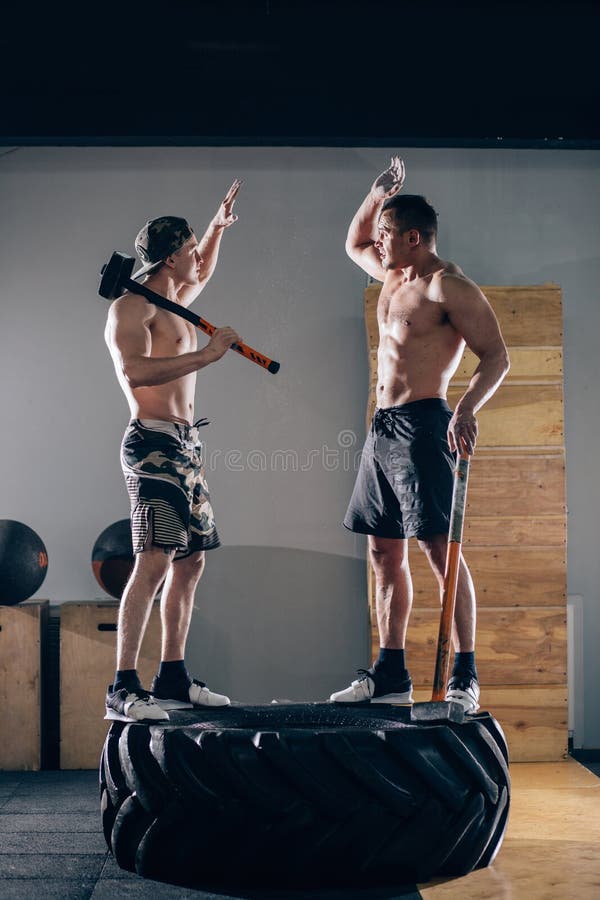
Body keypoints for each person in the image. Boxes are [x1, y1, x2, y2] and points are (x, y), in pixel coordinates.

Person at [331, 157, 509, 712]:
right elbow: (351, 241)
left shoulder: (446, 287)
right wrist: (376, 193)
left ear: (414, 237)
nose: (377, 244)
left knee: (441, 552)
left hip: (427, 423)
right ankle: (390, 675)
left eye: (387, 235)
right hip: (382, 429)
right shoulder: (390, 275)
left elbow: (497, 356)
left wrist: (466, 409)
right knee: (384, 552)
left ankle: (465, 675)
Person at [103, 180, 243, 723]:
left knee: (191, 562)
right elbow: (135, 372)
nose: (197, 260)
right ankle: (123, 686)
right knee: (154, 561)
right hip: (151, 444)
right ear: (167, 257)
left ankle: (172, 679)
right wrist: (208, 356)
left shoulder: (177, 300)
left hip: (187, 446)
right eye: (188, 249)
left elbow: (203, 269)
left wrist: (215, 228)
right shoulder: (130, 309)